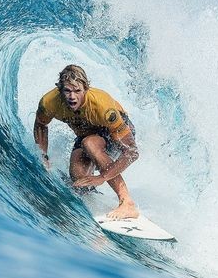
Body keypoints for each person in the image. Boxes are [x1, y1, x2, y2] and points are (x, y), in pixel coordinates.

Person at [33, 64, 140, 220]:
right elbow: (41, 125)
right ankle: (92, 194)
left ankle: (127, 202)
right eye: (67, 91)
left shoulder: (102, 106)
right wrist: (44, 156)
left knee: (90, 144)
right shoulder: (49, 102)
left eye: (77, 91)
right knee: (78, 178)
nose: (72, 96)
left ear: (86, 89)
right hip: (86, 134)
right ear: (60, 89)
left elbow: (132, 152)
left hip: (114, 132)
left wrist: (103, 177)